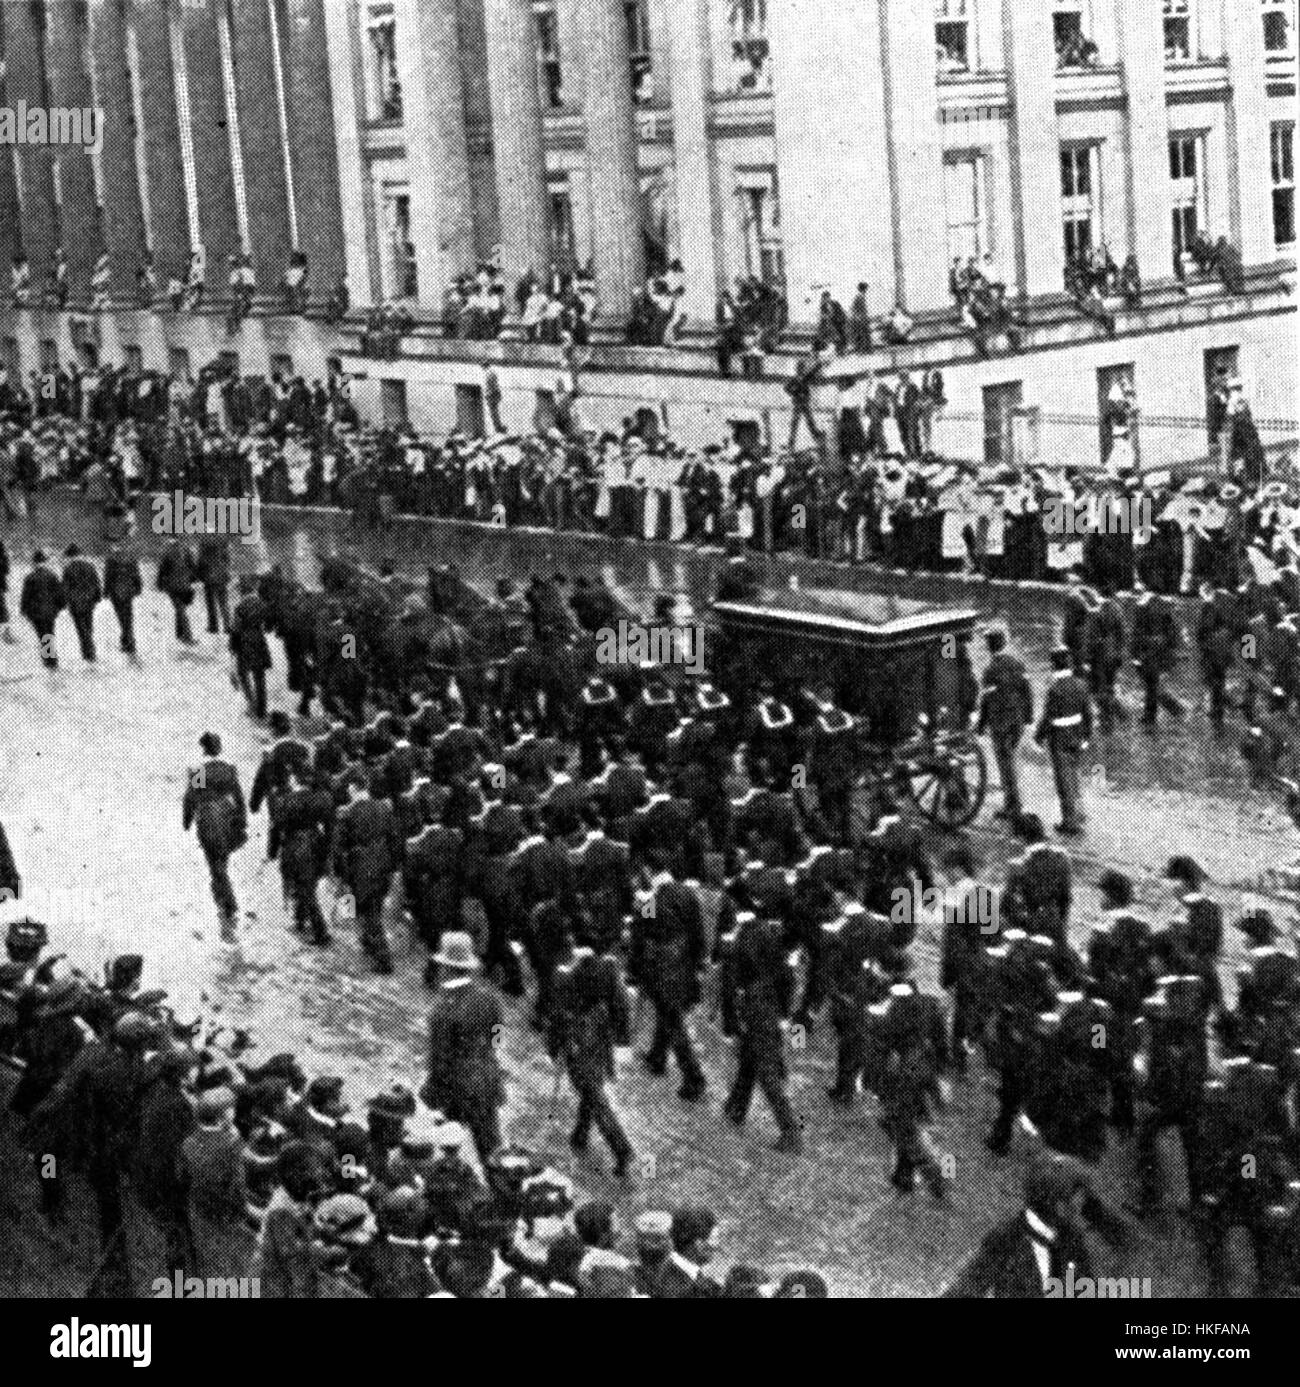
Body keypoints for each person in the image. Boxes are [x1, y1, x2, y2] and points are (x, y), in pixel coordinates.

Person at [547, 933, 635, 1177]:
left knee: (593, 1092)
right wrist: (622, 1042)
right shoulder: (607, 969)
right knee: (591, 1086)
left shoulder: (563, 975)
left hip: (577, 1038)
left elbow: (556, 1015)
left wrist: (553, 1049)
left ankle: (621, 1148)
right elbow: (621, 1005)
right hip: (599, 1035)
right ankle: (581, 1132)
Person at [421, 931, 506, 1164]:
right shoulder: (490, 998)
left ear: (445, 968)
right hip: (487, 1080)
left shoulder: (441, 1010)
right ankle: (501, 1190)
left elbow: (439, 1060)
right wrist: (488, 1057)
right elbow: (497, 1035)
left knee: (450, 1144)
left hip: (456, 1088)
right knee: (491, 1148)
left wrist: (434, 1094)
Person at [330, 769, 401, 973]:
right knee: (375, 907)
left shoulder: (347, 813)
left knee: (367, 912)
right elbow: (395, 840)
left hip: (360, 868)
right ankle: (369, 944)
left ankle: (383, 958)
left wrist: (341, 875)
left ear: (352, 789)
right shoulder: (384, 808)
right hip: (382, 866)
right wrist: (393, 866)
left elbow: (338, 848)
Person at [182, 732, 249, 932]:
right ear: (218, 748)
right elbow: (239, 796)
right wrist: (242, 820)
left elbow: (191, 798)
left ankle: (227, 901)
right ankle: (223, 892)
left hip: (208, 818)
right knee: (222, 859)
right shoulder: (228, 769)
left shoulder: (199, 770)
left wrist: (186, 820)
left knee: (214, 861)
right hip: (227, 817)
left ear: (203, 748)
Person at [977, 627, 1034, 821]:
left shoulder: (990, 670)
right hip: (1017, 721)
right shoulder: (1017, 664)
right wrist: (1028, 717)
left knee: (1005, 764)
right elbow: (1027, 691)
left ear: (989, 647)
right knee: (1010, 759)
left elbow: (985, 701)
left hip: (1000, 724)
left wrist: (980, 726)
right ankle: (1012, 802)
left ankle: (1013, 805)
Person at [1035, 646, 1092, 836]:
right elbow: (1088, 715)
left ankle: (1070, 822)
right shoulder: (1081, 685)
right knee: (1075, 775)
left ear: (1053, 665)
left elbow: (1048, 717)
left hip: (1059, 738)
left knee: (1063, 781)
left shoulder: (1054, 689)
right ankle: (1080, 812)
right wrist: (1086, 737)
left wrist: (1038, 737)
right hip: (1077, 735)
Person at [1129, 579, 1180, 728]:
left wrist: (1135, 655)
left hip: (1147, 652)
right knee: (1153, 684)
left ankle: (1155, 715)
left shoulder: (1141, 607)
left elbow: (1136, 634)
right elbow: (1173, 630)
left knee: (1151, 685)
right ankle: (1170, 710)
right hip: (1162, 652)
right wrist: (1171, 648)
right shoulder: (1165, 605)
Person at [230, 575, 273, 719]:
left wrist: (232, 647)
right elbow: (268, 626)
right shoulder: (261, 603)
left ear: (242, 591)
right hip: (259, 642)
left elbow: (235, 629)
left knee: (243, 673)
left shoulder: (239, 607)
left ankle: (251, 703)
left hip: (244, 643)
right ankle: (262, 709)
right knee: (260, 676)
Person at [19, 549, 65, 669]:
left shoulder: (30, 578)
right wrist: (58, 608)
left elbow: (26, 596)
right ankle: (51, 659)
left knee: (42, 635)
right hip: (50, 612)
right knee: (49, 634)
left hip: (36, 613)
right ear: (44, 562)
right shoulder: (52, 576)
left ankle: (49, 660)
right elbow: (60, 594)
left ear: (34, 563)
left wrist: (24, 610)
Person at [61, 544, 102, 663]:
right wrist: (97, 598)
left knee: (81, 628)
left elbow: (65, 588)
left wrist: (65, 602)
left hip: (75, 603)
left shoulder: (68, 569)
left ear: (70, 556)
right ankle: (89, 651)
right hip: (89, 601)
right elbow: (96, 582)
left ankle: (88, 652)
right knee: (88, 625)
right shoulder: (90, 566)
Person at [103, 540, 144, 656]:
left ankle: (129, 643)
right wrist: (138, 588)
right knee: (128, 617)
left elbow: (108, 576)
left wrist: (105, 592)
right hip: (129, 591)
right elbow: (136, 574)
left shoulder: (111, 560)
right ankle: (127, 642)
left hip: (116, 592)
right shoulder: (130, 558)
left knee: (121, 617)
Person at [156, 538, 198, 646]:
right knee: (181, 609)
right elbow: (193, 567)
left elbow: (162, 570)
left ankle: (183, 635)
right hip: (184, 585)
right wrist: (192, 579)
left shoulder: (168, 552)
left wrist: (160, 584)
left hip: (173, 586)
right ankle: (184, 635)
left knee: (180, 610)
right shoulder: (186, 550)